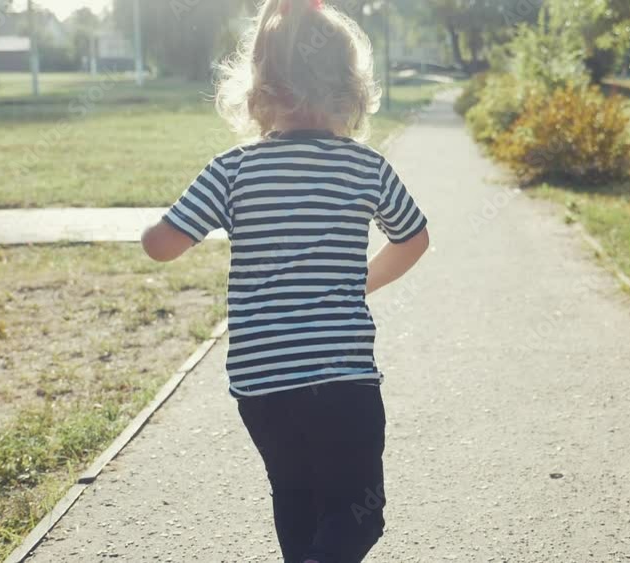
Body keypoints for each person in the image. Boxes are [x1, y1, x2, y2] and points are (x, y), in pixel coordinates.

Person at [140, 0, 430, 561]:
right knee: (356, 512)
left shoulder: (233, 169)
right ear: (351, 89)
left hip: (262, 383)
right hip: (342, 378)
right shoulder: (365, 166)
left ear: (259, 88)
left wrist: (153, 228)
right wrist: (359, 282)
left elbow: (162, 246)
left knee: (296, 499)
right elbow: (413, 238)